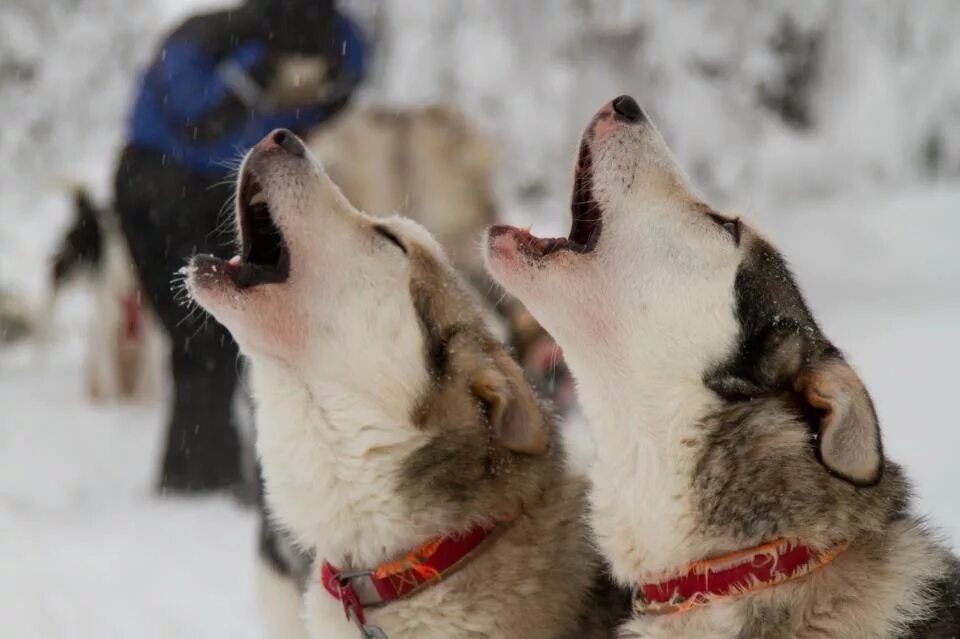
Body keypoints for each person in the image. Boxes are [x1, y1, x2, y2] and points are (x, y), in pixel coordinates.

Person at [115, 0, 367, 493]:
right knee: (203, 336)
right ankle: (211, 475)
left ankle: (221, 472)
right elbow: (194, 117)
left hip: (224, 187)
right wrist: (259, 73)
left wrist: (318, 83)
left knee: (237, 333)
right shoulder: (203, 37)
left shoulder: (327, 34)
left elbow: (349, 66)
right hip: (158, 185)